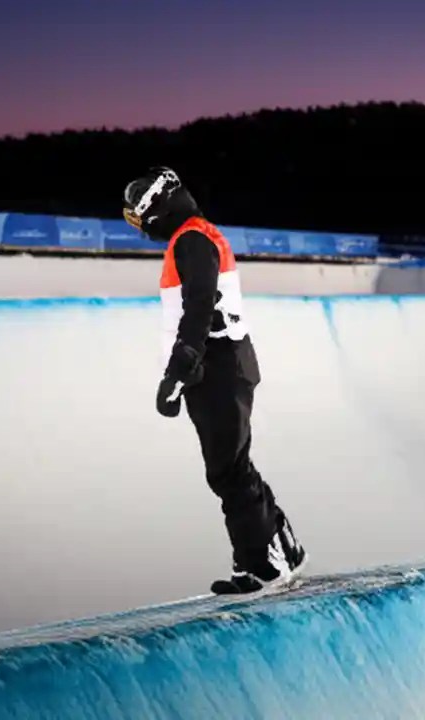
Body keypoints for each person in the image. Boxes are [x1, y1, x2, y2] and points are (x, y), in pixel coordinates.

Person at [122, 166, 307, 595]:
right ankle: (274, 551)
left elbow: (200, 307)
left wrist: (177, 372)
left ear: (158, 208)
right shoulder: (196, 234)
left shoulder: (190, 238)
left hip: (218, 366)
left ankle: (265, 566)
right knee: (233, 467)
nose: (140, 228)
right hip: (225, 363)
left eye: (139, 217)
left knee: (227, 472)